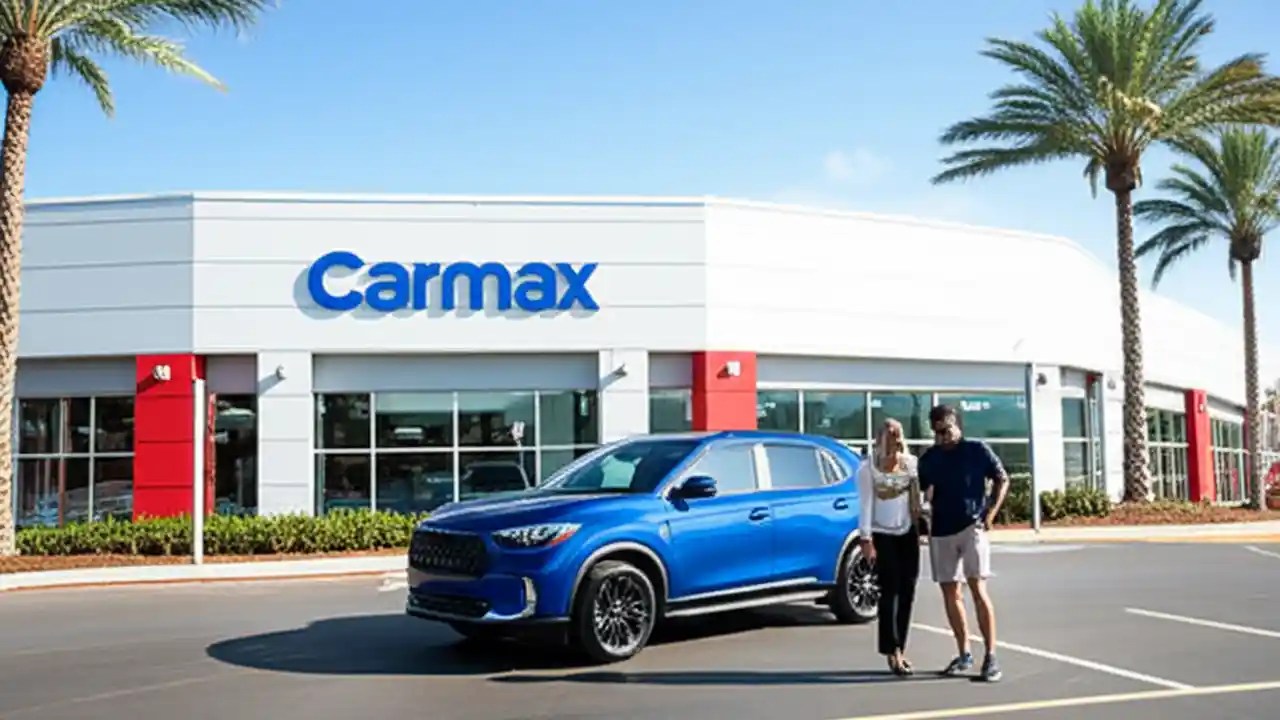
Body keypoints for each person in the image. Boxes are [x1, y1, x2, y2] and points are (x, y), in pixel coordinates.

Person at [917, 404, 1010, 683]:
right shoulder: (930, 458)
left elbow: (1001, 478)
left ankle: (991, 656)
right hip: (942, 530)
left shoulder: (976, 450)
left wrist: (990, 514)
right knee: (950, 593)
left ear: (957, 425)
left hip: (973, 527)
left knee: (978, 588)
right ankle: (964, 653)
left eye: (946, 430)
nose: (942, 437)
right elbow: (921, 491)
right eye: (936, 432)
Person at [857, 418, 923, 676]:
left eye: (896, 434)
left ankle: (901, 648)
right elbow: (865, 505)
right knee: (890, 591)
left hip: (907, 532)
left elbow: (917, 498)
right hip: (882, 533)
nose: (893, 439)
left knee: (907, 589)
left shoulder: (911, 464)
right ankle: (891, 649)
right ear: (877, 438)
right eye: (887, 434)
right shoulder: (867, 469)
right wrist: (866, 539)